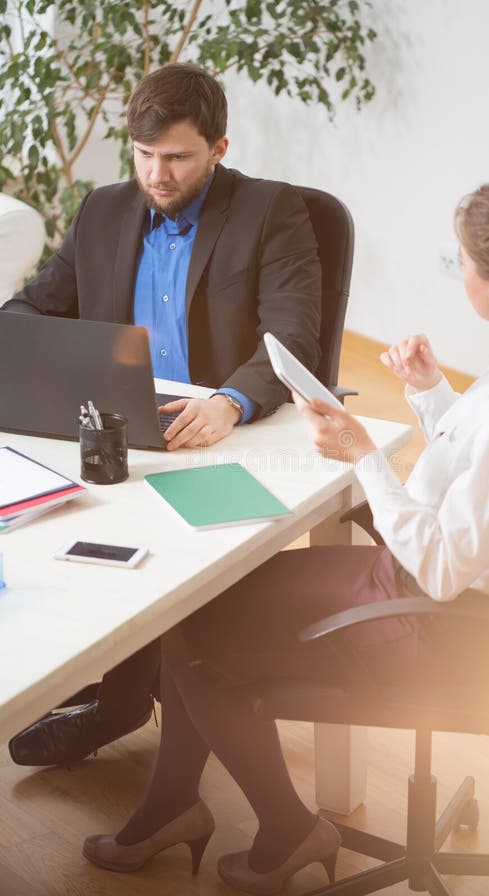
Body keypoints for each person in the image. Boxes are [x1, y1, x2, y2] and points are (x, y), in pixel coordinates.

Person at [81, 181, 489, 893]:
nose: (461, 275)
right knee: (205, 606)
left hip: (435, 615)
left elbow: (445, 566)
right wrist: (427, 391)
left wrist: (362, 453)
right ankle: (173, 807)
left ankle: (284, 829)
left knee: (193, 635)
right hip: (433, 581)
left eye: (462, 264)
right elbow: (486, 463)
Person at [6, 62, 321, 767]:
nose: (158, 174)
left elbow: (295, 337)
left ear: (219, 148)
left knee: (175, 564)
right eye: (144, 155)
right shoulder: (103, 210)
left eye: (178, 156)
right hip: (123, 426)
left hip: (225, 433)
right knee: (52, 530)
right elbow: (30, 308)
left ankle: (118, 703)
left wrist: (229, 399)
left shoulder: (272, 211)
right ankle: (100, 682)